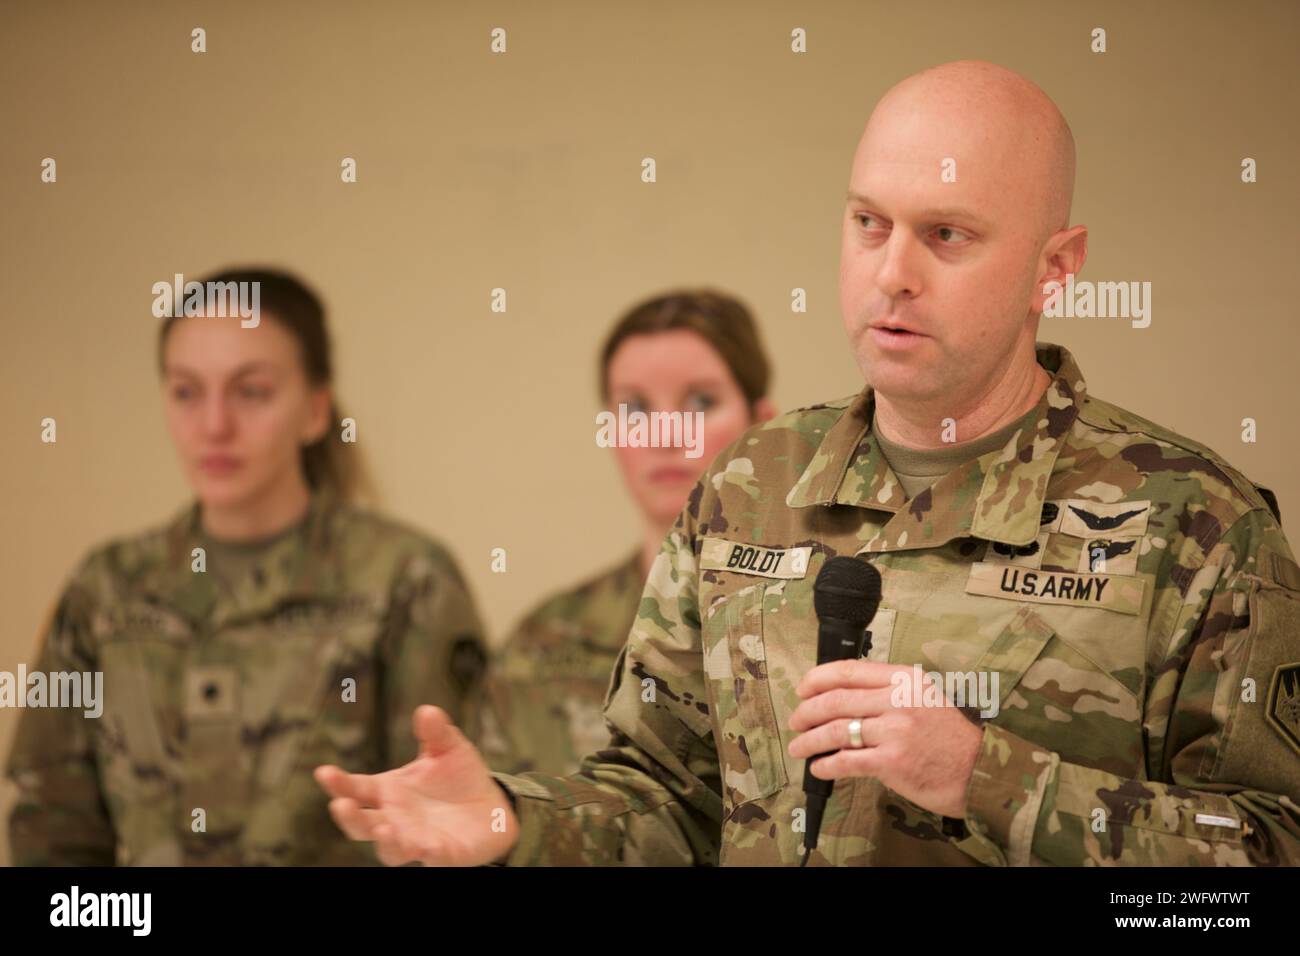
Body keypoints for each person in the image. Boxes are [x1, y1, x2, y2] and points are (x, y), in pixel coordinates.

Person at [314, 60, 1300, 867]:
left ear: (1056, 266)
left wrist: (984, 777)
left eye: (946, 235)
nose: (891, 273)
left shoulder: (1195, 523)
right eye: (869, 223)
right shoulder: (752, 484)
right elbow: (665, 800)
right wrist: (513, 823)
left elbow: (1273, 847)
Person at [5, 268, 488, 865]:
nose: (214, 426)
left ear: (315, 411)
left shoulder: (406, 579)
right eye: (186, 392)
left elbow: (447, 824)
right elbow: (51, 826)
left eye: (251, 391)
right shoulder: (106, 588)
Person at [472, 291, 776, 776]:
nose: (665, 434)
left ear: (763, 425)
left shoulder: (817, 619)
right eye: (634, 408)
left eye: (700, 401)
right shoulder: (542, 644)